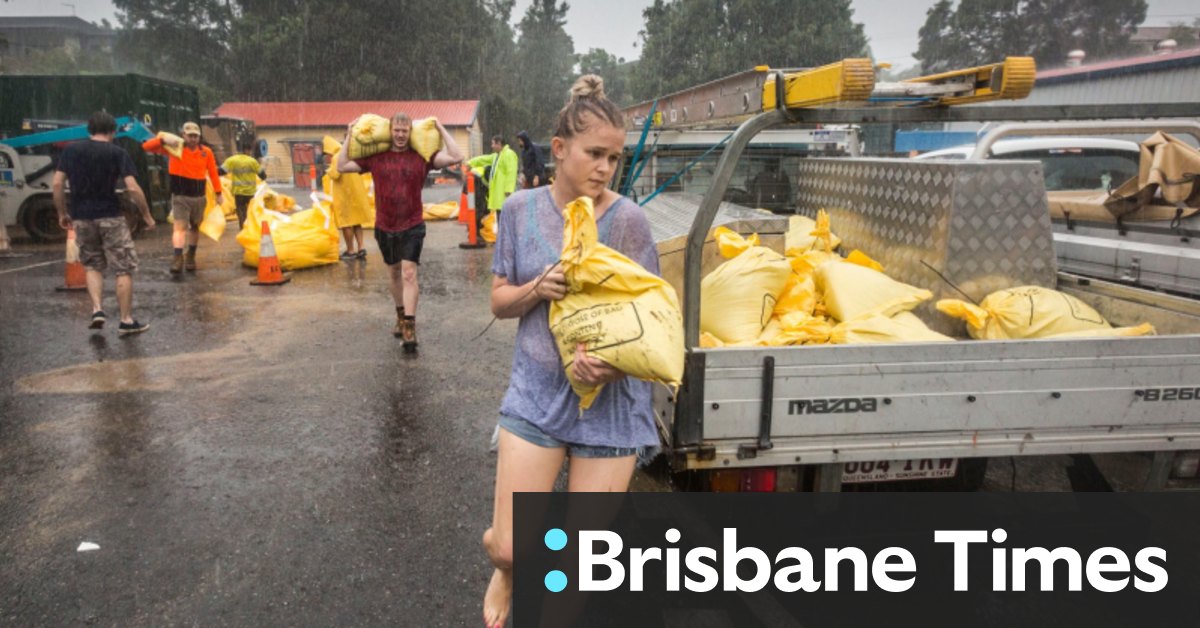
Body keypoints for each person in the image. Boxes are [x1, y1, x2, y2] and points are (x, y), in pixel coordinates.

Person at [481, 75, 660, 628]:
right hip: (537, 395)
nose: (605, 168)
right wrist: (537, 288)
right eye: (594, 154)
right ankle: (507, 570)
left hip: (610, 407)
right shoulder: (520, 210)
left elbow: (651, 322)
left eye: (615, 157)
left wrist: (611, 363)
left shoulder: (628, 221)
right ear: (559, 151)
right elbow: (498, 301)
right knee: (513, 546)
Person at [338, 112, 463, 351]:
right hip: (385, 225)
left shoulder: (423, 157)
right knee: (394, 273)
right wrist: (350, 133)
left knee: (408, 274)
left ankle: (409, 326)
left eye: (405, 131)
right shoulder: (376, 157)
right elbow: (342, 166)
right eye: (396, 130)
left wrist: (440, 126)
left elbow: (457, 156)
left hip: (413, 224)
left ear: (410, 133)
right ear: (390, 130)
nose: (400, 135)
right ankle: (399, 314)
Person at [53, 111, 156, 335]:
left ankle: (98, 309)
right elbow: (132, 188)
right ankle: (126, 320)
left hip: (81, 217)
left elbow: (58, 184)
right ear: (112, 131)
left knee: (92, 265)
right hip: (110, 215)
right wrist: (147, 215)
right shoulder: (117, 153)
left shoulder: (71, 151)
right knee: (123, 268)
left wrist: (62, 212)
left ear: (90, 130)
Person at [142, 121, 223, 273]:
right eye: (190, 135)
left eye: (195, 136)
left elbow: (213, 173)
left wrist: (219, 193)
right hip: (181, 197)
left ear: (199, 137)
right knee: (179, 228)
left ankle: (191, 255)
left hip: (199, 197)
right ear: (183, 135)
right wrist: (163, 140)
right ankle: (178, 257)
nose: (193, 139)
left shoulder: (206, 152)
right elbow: (146, 147)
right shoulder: (175, 148)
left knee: (194, 227)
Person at [466, 135, 519, 219]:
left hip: (504, 193)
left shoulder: (509, 154)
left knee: (505, 217)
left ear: (499, 144)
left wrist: (509, 189)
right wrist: (470, 163)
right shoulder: (497, 156)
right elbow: (484, 159)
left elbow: (511, 172)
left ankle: (504, 232)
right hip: (499, 194)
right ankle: (501, 232)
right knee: (500, 216)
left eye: (493, 144)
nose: (492, 146)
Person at [219, 142, 265, 229]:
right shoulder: (253, 161)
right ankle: (250, 228)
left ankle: (242, 228)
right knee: (250, 211)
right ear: (248, 150)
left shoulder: (232, 160)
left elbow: (221, 171)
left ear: (241, 150)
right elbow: (263, 175)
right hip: (250, 193)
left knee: (241, 212)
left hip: (238, 192)